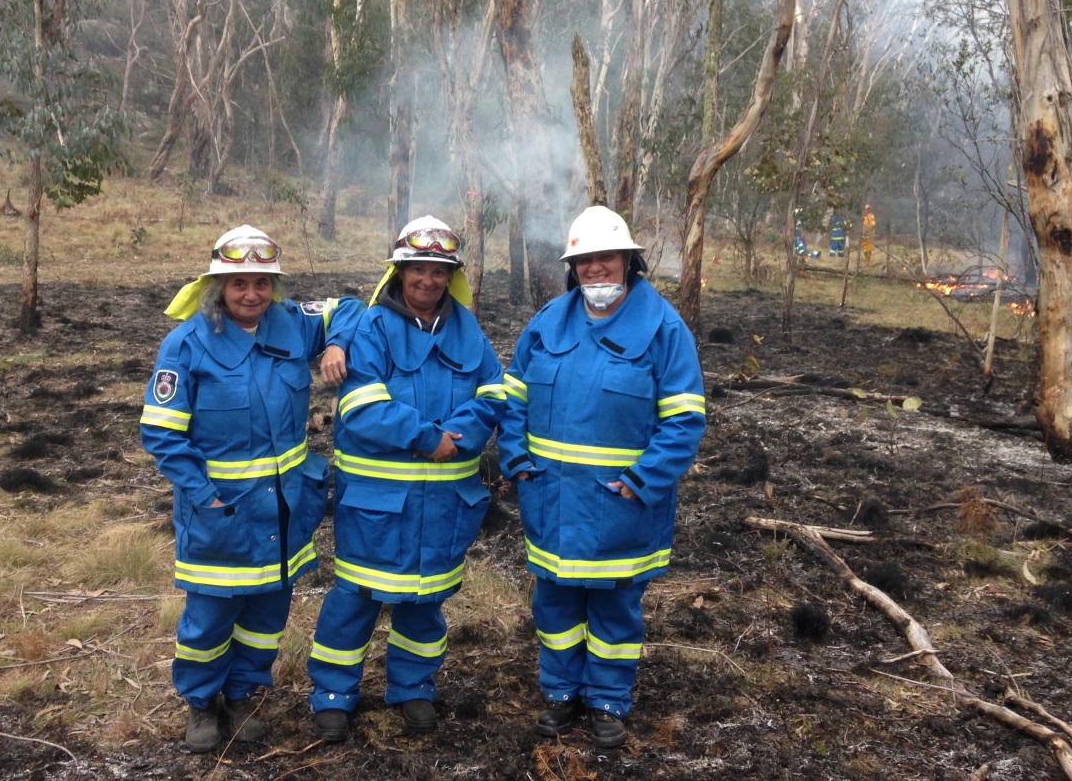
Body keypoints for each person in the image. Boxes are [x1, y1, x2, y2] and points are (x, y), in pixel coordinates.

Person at [140, 225, 362, 754]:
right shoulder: (187, 343)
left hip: (285, 509)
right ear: (218, 285)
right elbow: (162, 433)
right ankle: (200, 703)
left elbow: (351, 307)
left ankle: (242, 694)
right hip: (221, 511)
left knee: (267, 613)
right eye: (239, 283)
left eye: (262, 283)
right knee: (211, 614)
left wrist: (334, 342)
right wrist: (205, 497)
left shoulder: (290, 325)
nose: (251, 294)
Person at [499, 206, 706, 748]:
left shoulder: (663, 327)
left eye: (605, 259)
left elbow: (684, 419)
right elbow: (513, 397)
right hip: (551, 498)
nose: (595, 270)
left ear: (628, 262)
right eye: (584, 261)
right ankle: (561, 692)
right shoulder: (547, 323)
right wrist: (516, 459)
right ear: (573, 268)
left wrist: (642, 481)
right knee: (555, 603)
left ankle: (608, 700)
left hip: (620, 503)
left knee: (615, 608)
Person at [308, 216, 506, 742]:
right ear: (399, 271)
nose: (428, 280)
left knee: (425, 603)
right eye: (417, 268)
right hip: (377, 504)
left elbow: (492, 393)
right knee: (355, 600)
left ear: (450, 275)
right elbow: (360, 406)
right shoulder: (371, 328)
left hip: (446, 504)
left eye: (438, 270)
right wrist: (426, 437)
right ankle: (332, 694)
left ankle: (414, 687)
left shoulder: (468, 328)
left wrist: (459, 435)